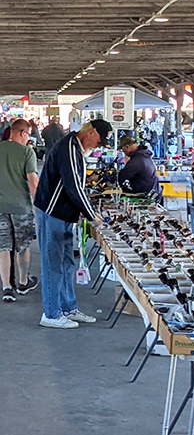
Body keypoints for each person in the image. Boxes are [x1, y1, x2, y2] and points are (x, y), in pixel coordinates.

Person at [34, 118, 111, 329]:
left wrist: (85, 211)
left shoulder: (75, 148)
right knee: (53, 264)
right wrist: (91, 214)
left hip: (64, 214)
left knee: (67, 263)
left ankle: (68, 307)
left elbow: (76, 186)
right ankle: (51, 313)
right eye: (99, 141)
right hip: (52, 213)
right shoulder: (69, 148)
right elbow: (73, 186)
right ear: (91, 132)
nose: (97, 145)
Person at [0, 119, 39, 303]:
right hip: (21, 207)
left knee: (3, 247)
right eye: (29, 134)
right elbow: (32, 183)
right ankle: (23, 282)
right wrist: (40, 205)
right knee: (22, 246)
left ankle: (7, 287)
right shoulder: (26, 152)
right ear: (23, 133)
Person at [118, 136, 162, 200]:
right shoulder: (144, 155)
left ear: (127, 146)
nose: (124, 152)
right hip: (154, 192)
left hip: (148, 197)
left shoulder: (137, 160)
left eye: (123, 150)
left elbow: (122, 176)